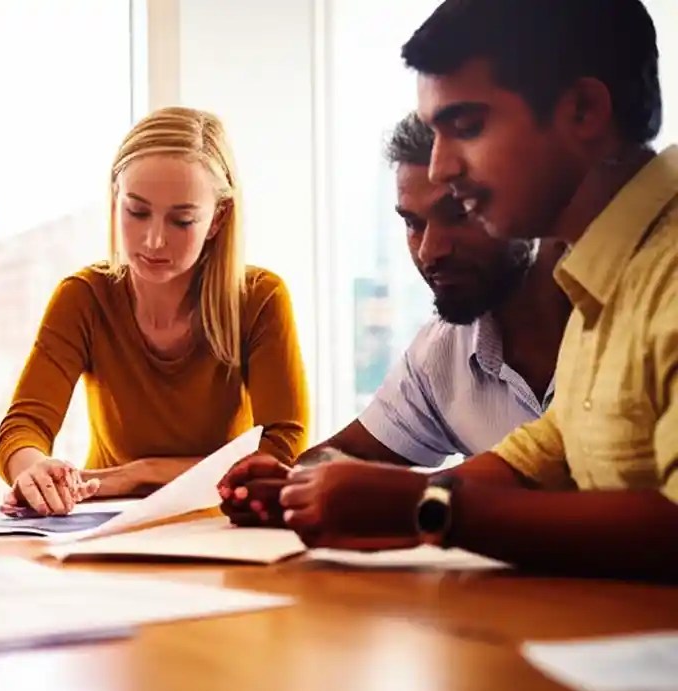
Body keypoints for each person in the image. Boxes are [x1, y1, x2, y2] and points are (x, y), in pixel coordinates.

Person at [226, 0, 678, 582]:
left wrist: (427, 508)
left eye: (466, 127)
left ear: (584, 110)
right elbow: (535, 458)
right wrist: (316, 489)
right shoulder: (605, 280)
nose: (440, 168)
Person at [220, 112, 571, 524]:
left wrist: (410, 500)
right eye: (413, 223)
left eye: (458, 214)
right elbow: (351, 452)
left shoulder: (627, 318)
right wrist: (295, 482)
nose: (429, 251)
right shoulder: (443, 349)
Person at [0, 106, 310, 516]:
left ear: (217, 219)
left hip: (217, 519)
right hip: (107, 519)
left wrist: (138, 474)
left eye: (182, 221)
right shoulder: (83, 298)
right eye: (137, 212)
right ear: (115, 200)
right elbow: (21, 429)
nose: (154, 240)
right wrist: (34, 470)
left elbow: (283, 448)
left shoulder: (260, 299)